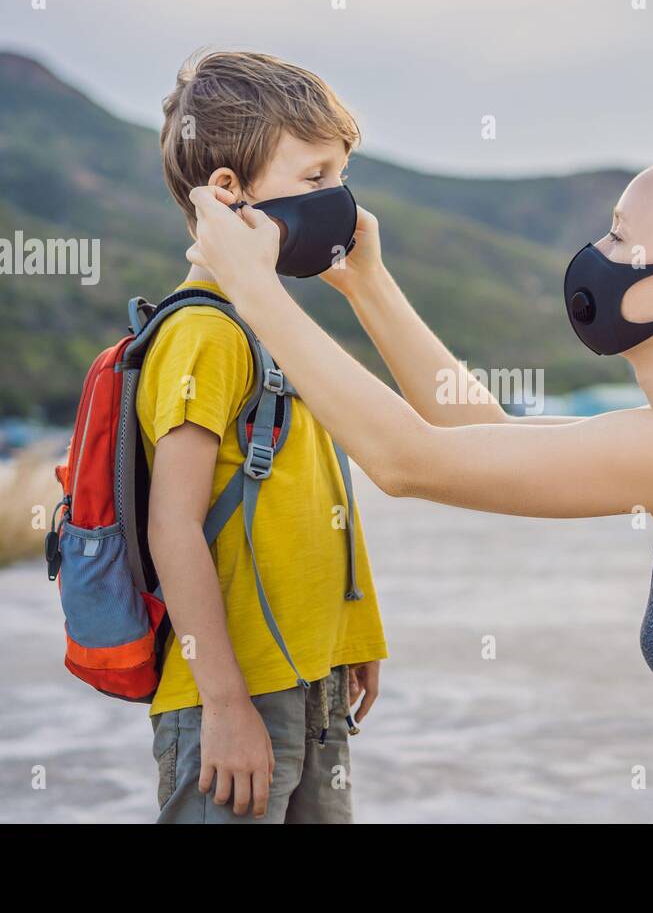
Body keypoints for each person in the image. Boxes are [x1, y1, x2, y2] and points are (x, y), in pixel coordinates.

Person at [186, 140, 653, 823]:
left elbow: (405, 461)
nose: (596, 254)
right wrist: (368, 285)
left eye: (619, 235)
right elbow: (471, 432)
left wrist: (254, 286)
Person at [143, 50, 387, 823]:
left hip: (312, 678)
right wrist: (222, 704)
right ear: (228, 191)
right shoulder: (204, 332)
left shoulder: (274, 324)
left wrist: (357, 629)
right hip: (235, 690)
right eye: (314, 177)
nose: (337, 199)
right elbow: (170, 523)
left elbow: (318, 488)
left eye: (342, 176)